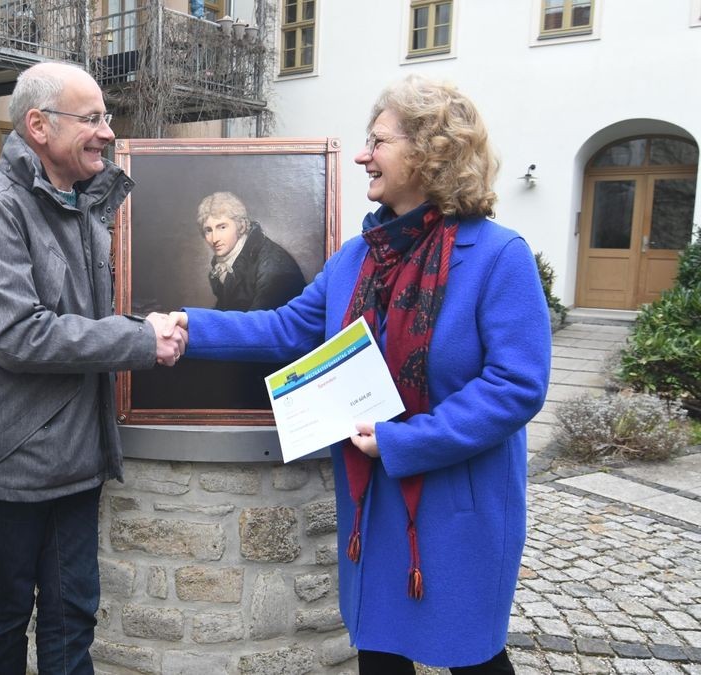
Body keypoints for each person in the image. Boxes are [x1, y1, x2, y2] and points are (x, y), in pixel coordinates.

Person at [158, 75, 551, 673]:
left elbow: (515, 386)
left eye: (378, 142)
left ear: (430, 152)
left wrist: (404, 441)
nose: (364, 155)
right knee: (380, 655)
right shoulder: (358, 256)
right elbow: (288, 327)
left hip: (456, 505)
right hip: (374, 501)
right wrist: (192, 326)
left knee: (473, 658)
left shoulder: (498, 256)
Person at [0, 61, 186, 675]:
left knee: (73, 614)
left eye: (106, 117)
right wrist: (140, 339)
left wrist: (146, 328)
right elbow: (20, 336)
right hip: (15, 463)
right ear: (38, 126)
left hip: (75, 456)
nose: (108, 131)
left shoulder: (82, 205)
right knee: (7, 613)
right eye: (92, 118)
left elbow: (82, 320)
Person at [197, 191, 308, 311]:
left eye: (222, 227)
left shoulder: (272, 266)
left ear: (242, 226)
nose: (214, 239)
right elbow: (226, 313)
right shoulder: (224, 263)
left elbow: (258, 320)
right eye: (208, 230)